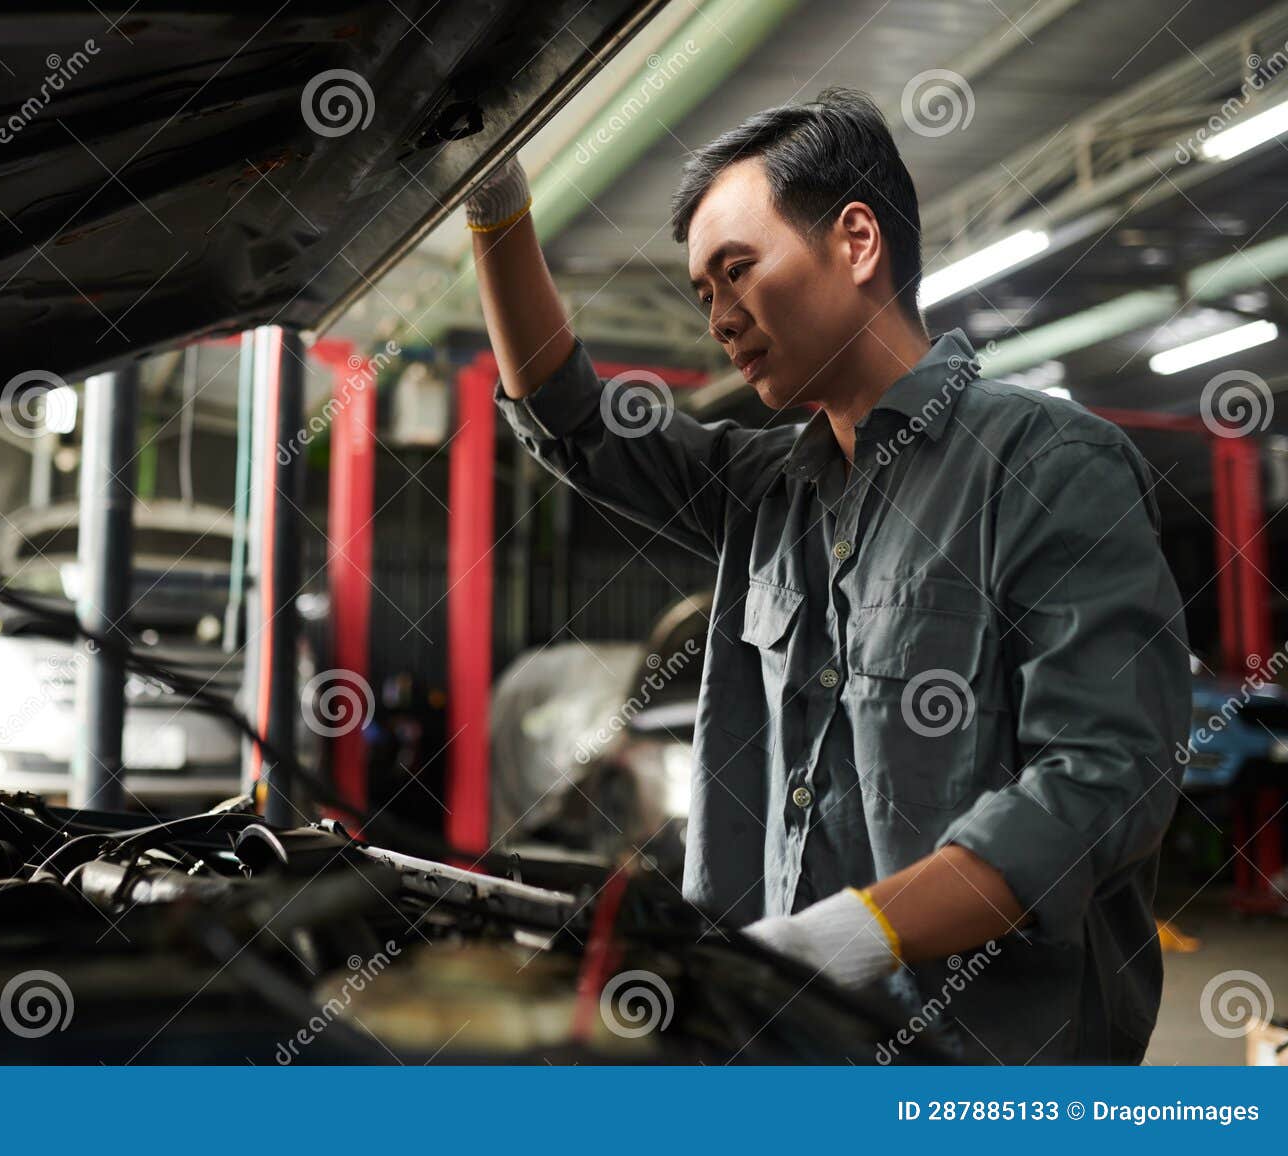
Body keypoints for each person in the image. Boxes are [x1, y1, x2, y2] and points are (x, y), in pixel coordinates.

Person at [466, 87, 1189, 1063]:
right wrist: (494, 201)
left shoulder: (1049, 467)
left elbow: (1103, 777)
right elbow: (575, 424)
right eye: (702, 294)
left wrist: (849, 936)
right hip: (785, 1048)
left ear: (855, 242)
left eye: (737, 271)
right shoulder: (767, 494)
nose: (720, 320)